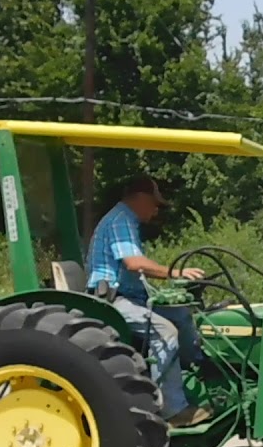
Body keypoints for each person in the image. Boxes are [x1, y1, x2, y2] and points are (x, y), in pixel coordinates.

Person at [85, 175, 212, 427]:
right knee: (165, 331)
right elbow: (133, 263)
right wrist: (175, 273)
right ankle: (173, 410)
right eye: (154, 204)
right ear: (140, 198)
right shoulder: (121, 219)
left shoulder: (126, 220)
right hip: (112, 300)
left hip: (130, 296)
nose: (155, 212)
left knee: (181, 313)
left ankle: (198, 378)